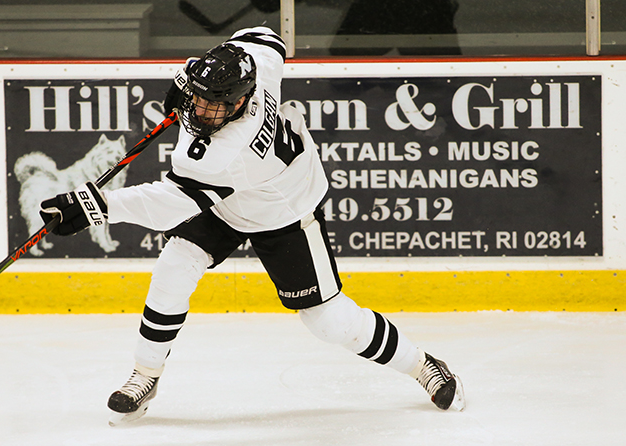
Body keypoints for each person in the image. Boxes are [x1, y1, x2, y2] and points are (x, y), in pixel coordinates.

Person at [38, 26, 465, 425]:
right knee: (174, 265)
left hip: (283, 210)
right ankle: (145, 374)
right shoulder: (255, 66)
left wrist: (95, 205)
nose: (201, 111)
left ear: (240, 102)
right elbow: (264, 34)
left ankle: (422, 365)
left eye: (213, 105)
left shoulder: (223, 152)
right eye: (198, 99)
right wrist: (193, 78)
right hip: (224, 202)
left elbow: (168, 205)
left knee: (330, 323)